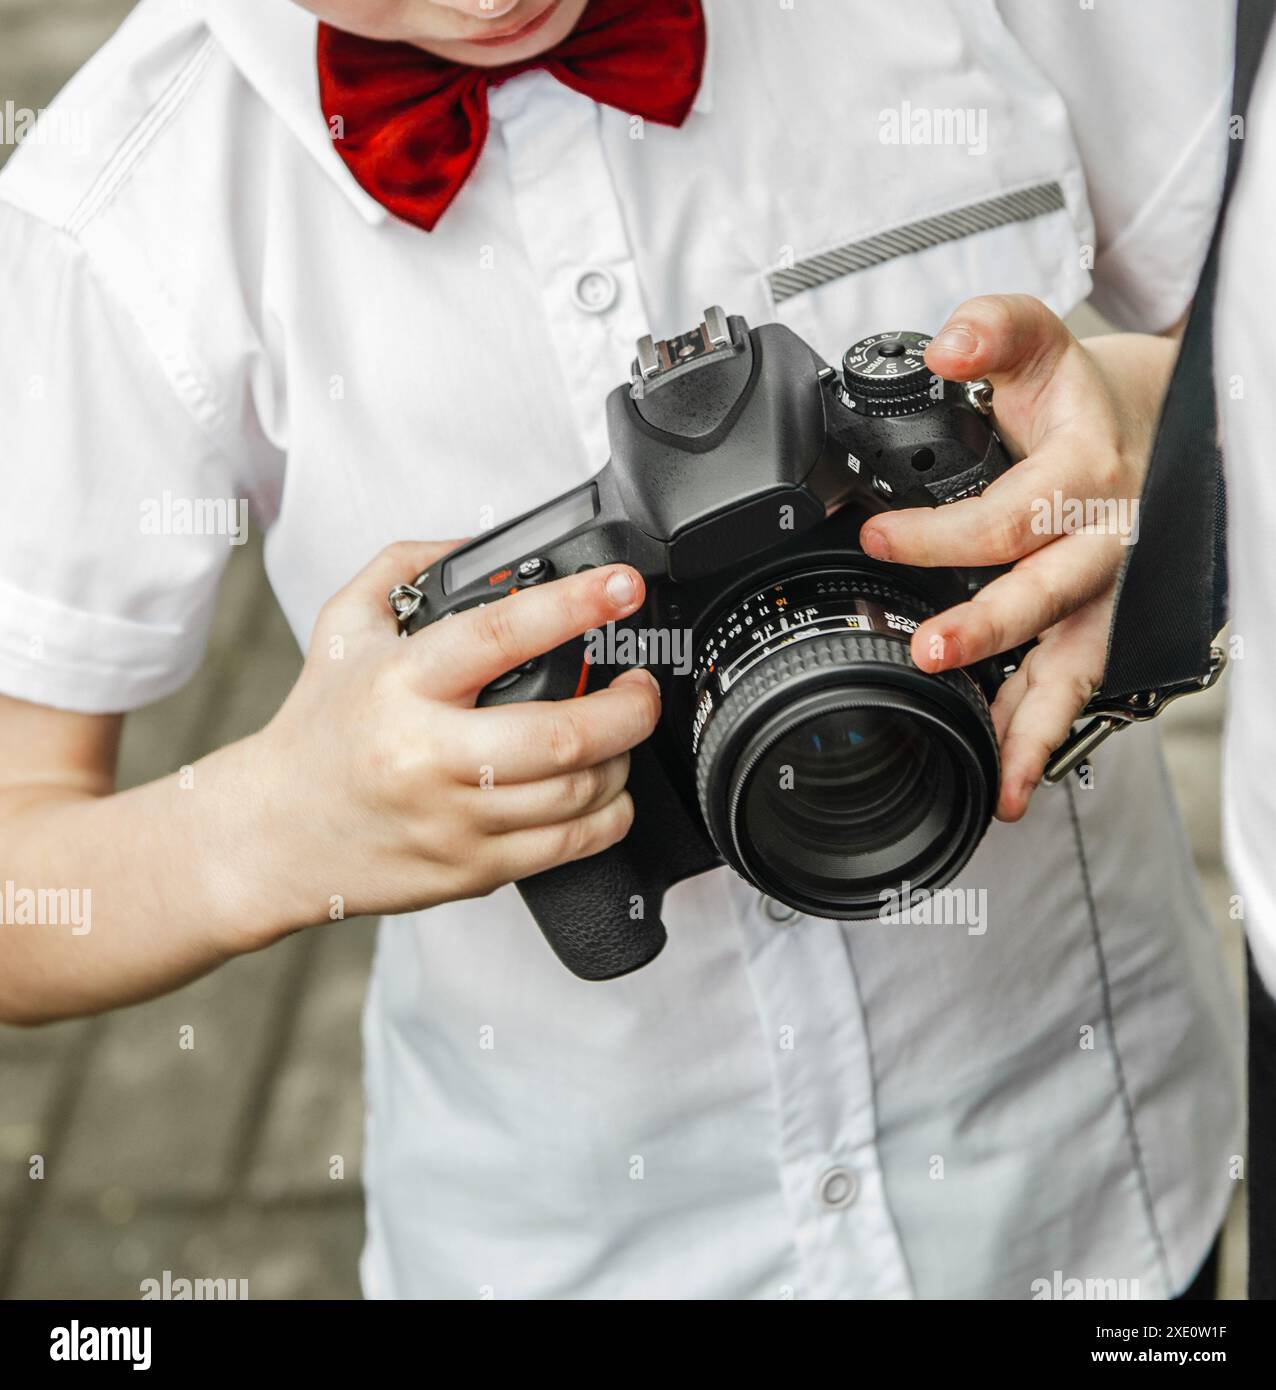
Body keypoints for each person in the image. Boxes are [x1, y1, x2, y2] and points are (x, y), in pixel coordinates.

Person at [0, 0, 1242, 1298]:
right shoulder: (125, 203)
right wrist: (277, 824)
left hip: (1091, 1196)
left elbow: (1238, 330)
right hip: (577, 1251)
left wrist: (1158, 448)